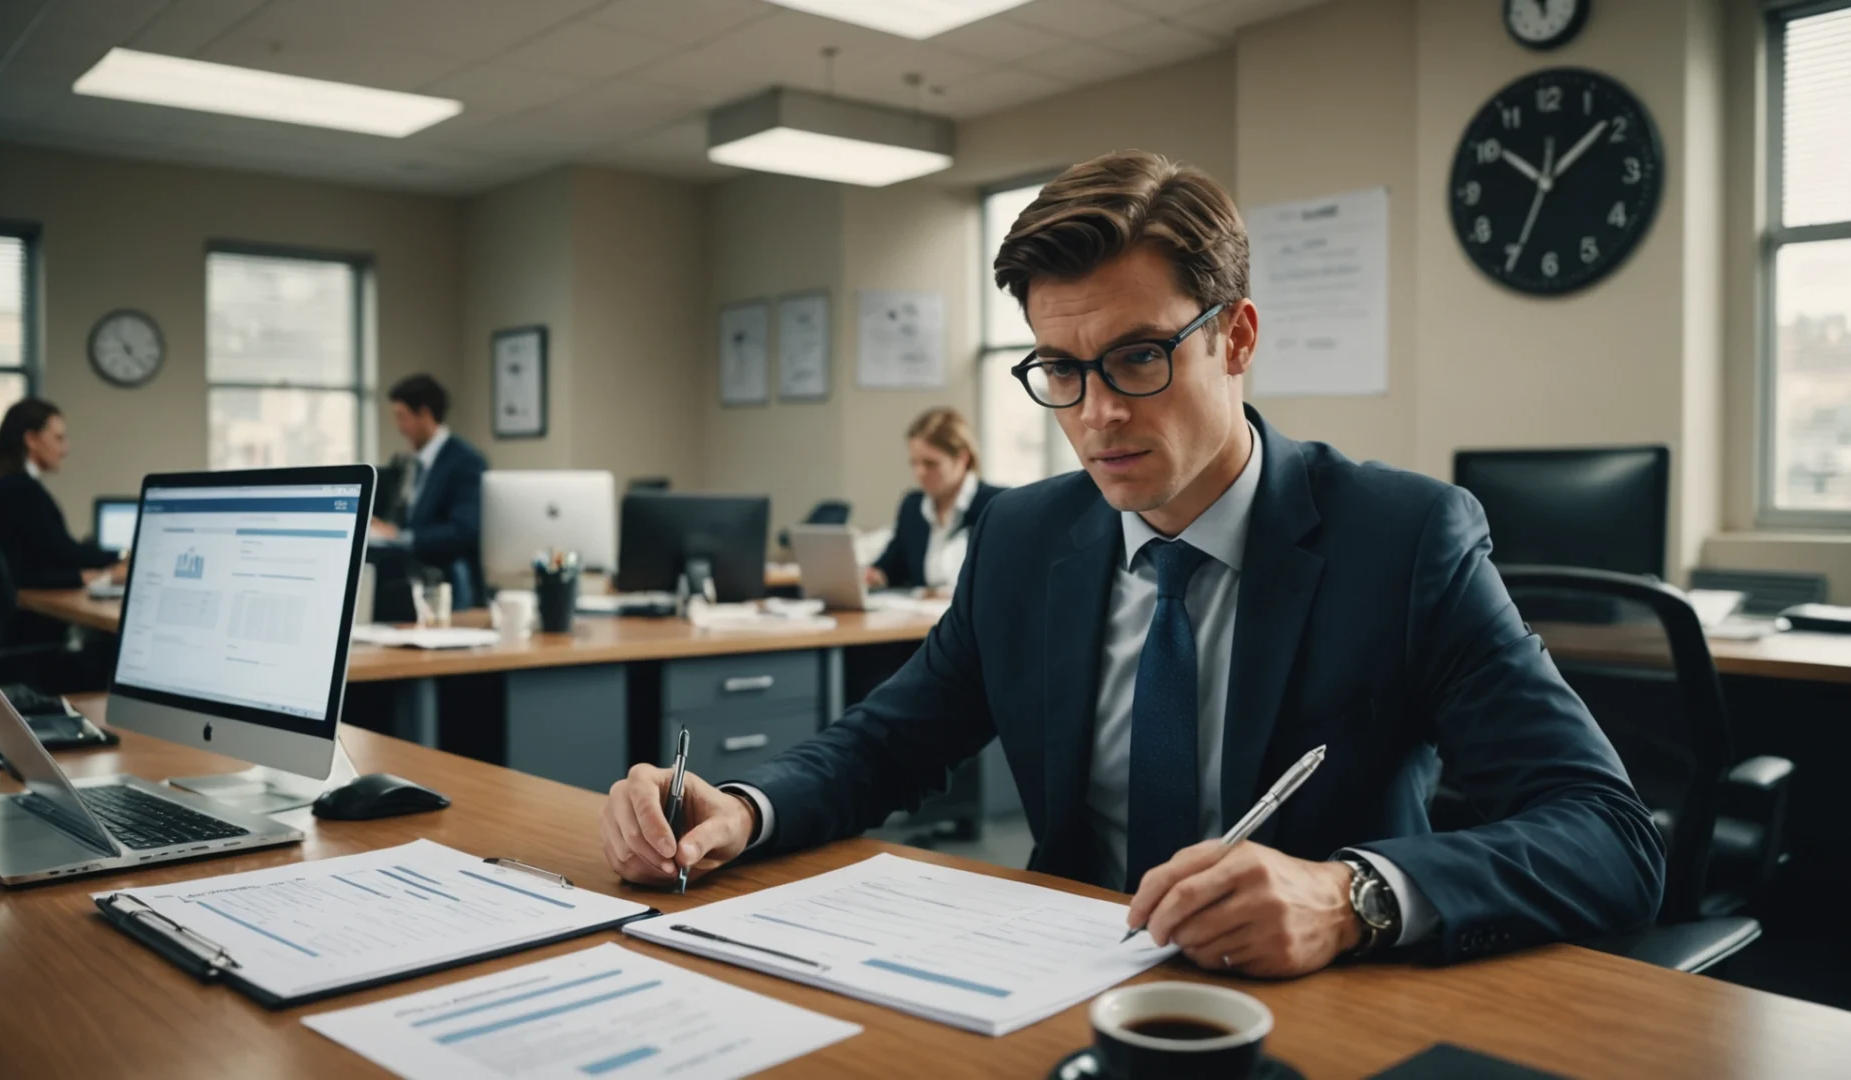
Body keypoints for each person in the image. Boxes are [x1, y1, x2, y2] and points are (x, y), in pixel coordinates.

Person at [601, 151, 1664, 977]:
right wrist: (745, 805)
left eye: (1139, 358)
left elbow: (1608, 834)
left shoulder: (1403, 539)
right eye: (1060, 369)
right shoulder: (1023, 538)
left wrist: (1352, 898)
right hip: (1054, 985)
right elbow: (888, 742)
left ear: (1236, 339)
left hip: (1315, 1006)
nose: (1098, 413)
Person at [0, 398, 124, 590]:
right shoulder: (20, 490)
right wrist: (119, 559)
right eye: (59, 438)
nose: (66, 449)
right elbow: (63, 554)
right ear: (31, 440)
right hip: (29, 614)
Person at [369, 374, 487, 607]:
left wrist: (401, 536)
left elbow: (463, 530)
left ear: (424, 414)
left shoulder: (465, 462)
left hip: (446, 583)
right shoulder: (408, 463)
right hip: (408, 576)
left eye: (402, 417)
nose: (398, 427)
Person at [866, 407, 1006, 592]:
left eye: (930, 464)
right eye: (914, 463)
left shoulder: (997, 504)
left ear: (962, 459)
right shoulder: (913, 506)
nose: (919, 473)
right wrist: (874, 575)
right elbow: (891, 566)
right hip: (920, 617)